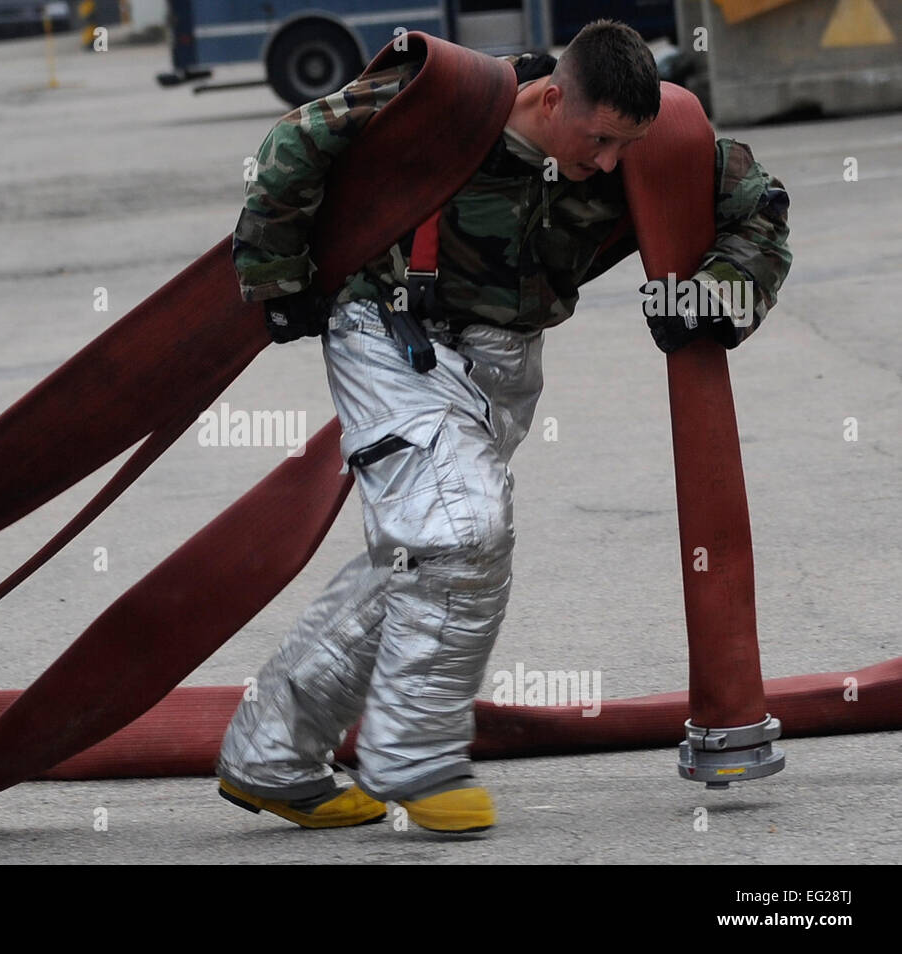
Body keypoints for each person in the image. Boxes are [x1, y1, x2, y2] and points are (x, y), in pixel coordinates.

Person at [215, 19, 792, 832]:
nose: (610, 165)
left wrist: (716, 298)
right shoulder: (450, 96)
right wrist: (276, 275)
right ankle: (415, 760)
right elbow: (299, 137)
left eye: (627, 147)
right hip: (389, 333)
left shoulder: (650, 136)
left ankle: (269, 755)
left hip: (503, 366)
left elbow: (760, 209)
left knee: (417, 560)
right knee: (462, 532)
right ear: (552, 96)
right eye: (597, 141)